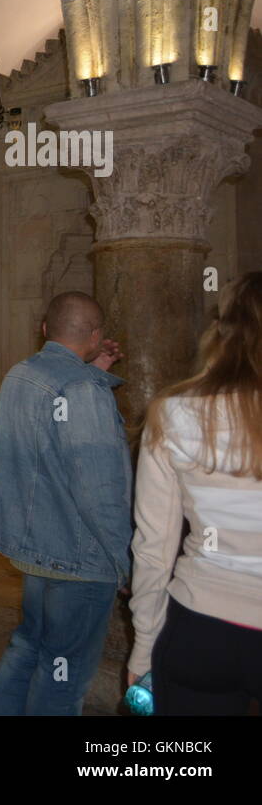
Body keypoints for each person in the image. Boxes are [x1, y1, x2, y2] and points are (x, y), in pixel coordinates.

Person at [0, 291, 131, 715]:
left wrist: (96, 371)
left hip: (38, 548)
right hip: (79, 556)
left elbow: (51, 432)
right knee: (63, 670)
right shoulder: (81, 387)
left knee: (28, 646)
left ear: (46, 329)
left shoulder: (22, 373)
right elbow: (100, 489)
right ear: (97, 335)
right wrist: (125, 560)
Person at [129, 272, 262, 714]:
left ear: (223, 331)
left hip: (200, 628)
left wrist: (144, 644)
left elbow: (154, 546)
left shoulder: (175, 413)